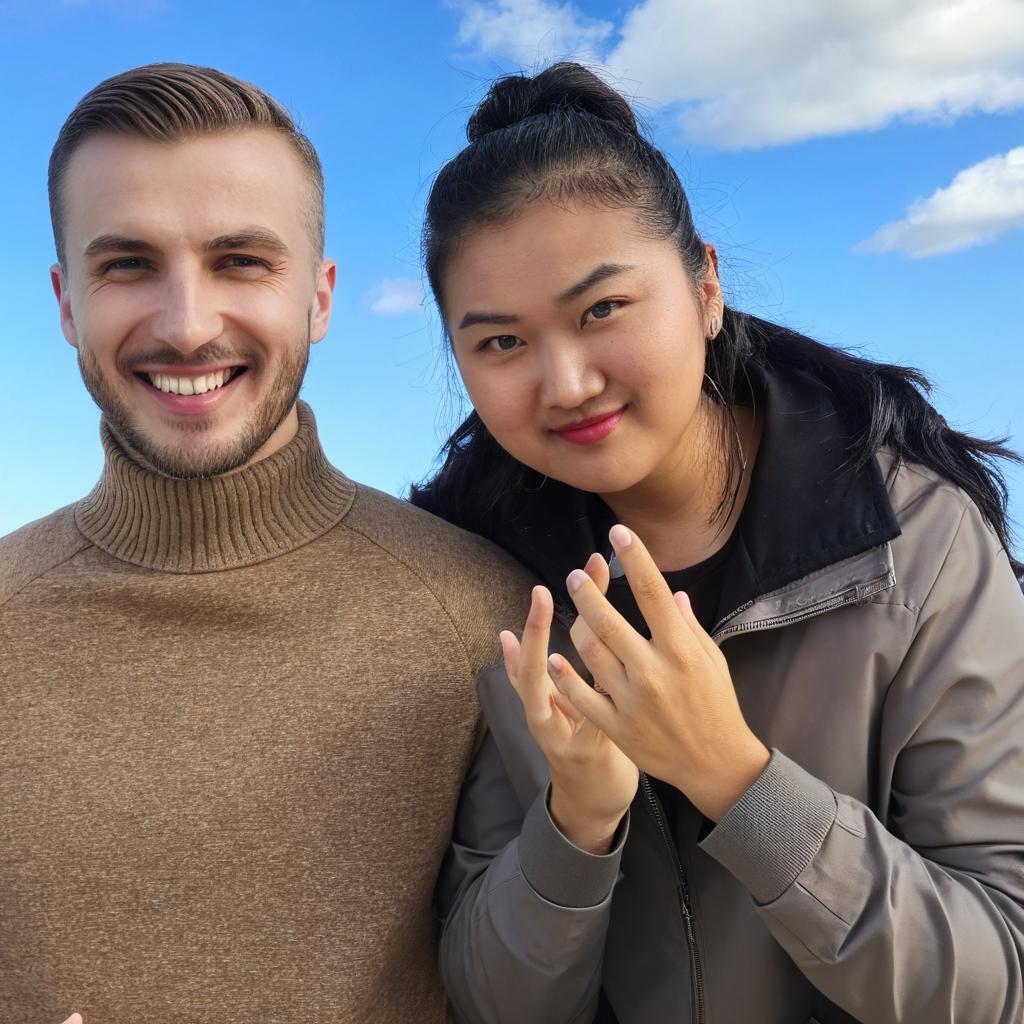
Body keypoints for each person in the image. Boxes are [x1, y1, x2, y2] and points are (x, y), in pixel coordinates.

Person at [412, 63, 1024, 1024]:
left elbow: (999, 978)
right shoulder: (484, 581)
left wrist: (735, 777)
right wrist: (576, 820)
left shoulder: (916, 548)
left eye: (602, 309)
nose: (565, 383)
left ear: (704, 287)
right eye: (501, 343)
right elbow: (494, 1004)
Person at [0, 63, 533, 1024]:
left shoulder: (484, 621)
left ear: (320, 298)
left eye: (241, 260)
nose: (187, 325)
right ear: (67, 302)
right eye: (128, 264)